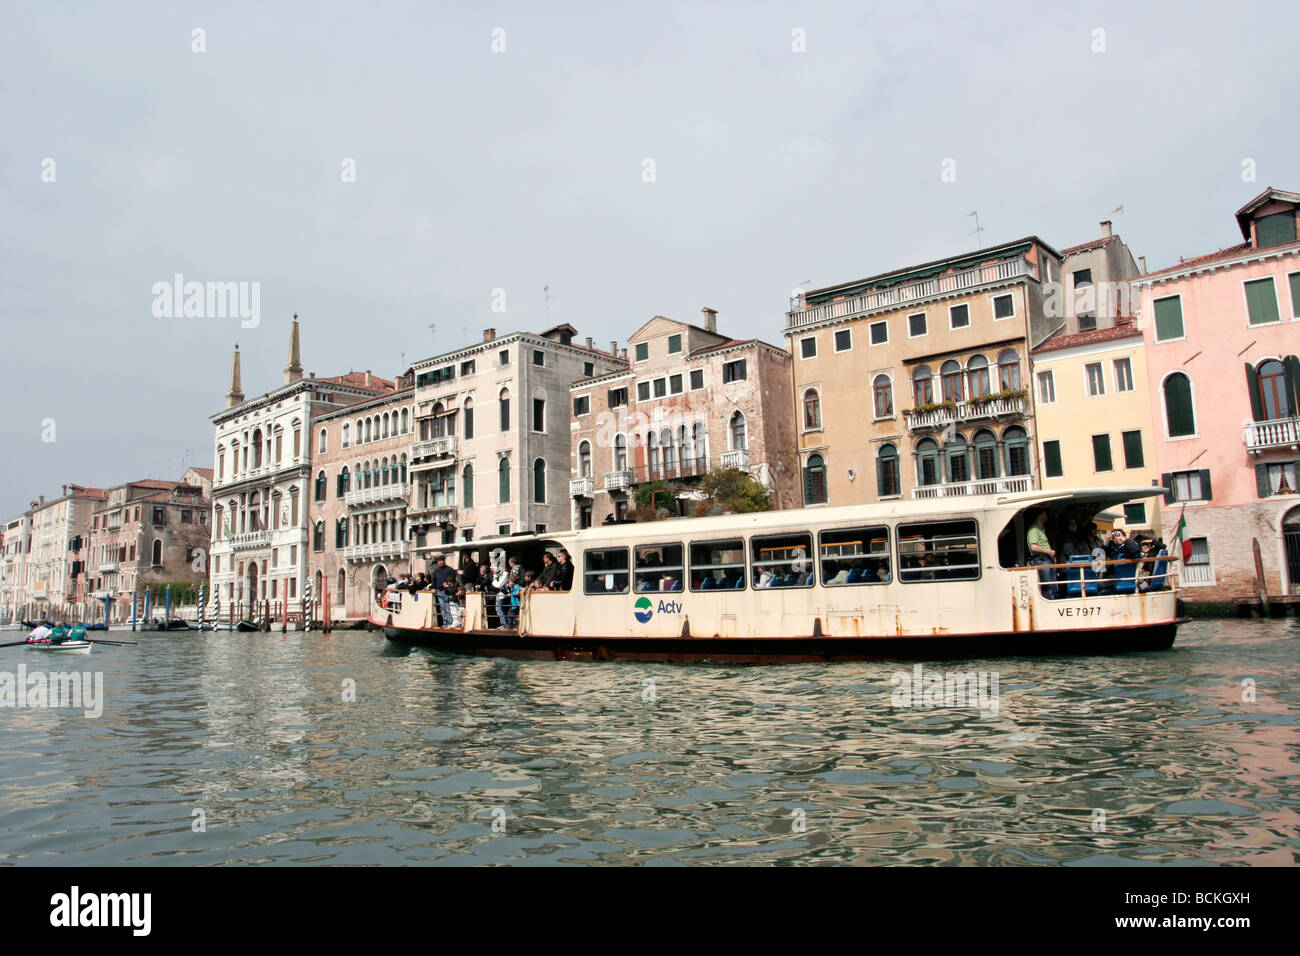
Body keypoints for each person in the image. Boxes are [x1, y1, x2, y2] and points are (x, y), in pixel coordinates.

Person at [1026, 508, 1058, 598]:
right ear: (1040, 516)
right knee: (1048, 586)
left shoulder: (1041, 529)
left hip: (1047, 559)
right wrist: (1049, 552)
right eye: (1045, 514)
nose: (1046, 517)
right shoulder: (1034, 530)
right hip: (1041, 560)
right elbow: (1033, 547)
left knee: (1053, 586)